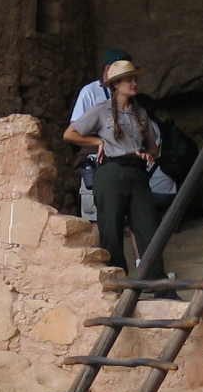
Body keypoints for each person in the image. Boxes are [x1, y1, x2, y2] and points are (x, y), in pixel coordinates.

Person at [65, 60, 167, 282]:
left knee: (149, 229)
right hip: (111, 172)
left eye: (135, 79)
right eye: (128, 79)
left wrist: (148, 153)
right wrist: (98, 141)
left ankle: (157, 283)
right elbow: (70, 134)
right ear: (116, 85)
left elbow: (154, 145)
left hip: (137, 173)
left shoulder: (140, 112)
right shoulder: (100, 111)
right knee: (110, 230)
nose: (134, 83)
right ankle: (117, 285)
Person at [70, 49, 133, 124]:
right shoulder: (90, 91)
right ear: (108, 69)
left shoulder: (128, 92)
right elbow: (75, 128)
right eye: (123, 71)